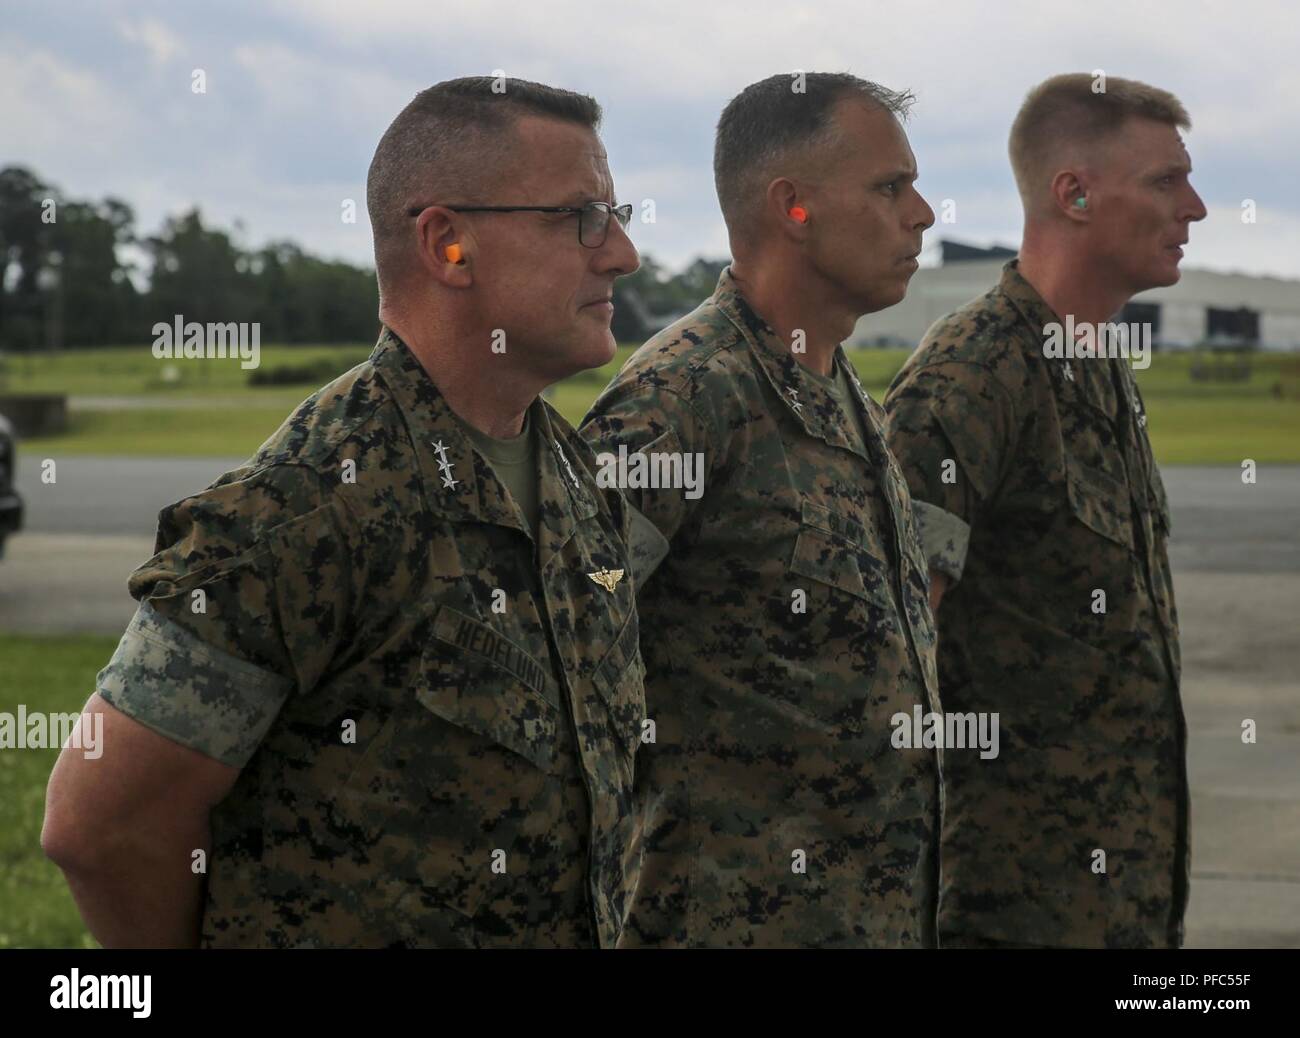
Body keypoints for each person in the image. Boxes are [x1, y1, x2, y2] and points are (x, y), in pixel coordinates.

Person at [42, 76, 650, 949]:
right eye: (582, 216)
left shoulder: (571, 472)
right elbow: (99, 828)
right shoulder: (308, 505)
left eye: (617, 212)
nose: (621, 252)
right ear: (448, 244)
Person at [582, 72, 942, 947]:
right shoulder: (686, 400)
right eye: (890, 187)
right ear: (794, 206)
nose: (923, 213)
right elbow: (558, 649)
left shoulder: (837, 384)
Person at [884, 72, 1206, 948]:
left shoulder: (1097, 363)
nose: (1198, 208)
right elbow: (891, 653)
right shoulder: (974, 376)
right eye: (1166, 182)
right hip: (1009, 909)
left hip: (1121, 904)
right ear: (1074, 193)